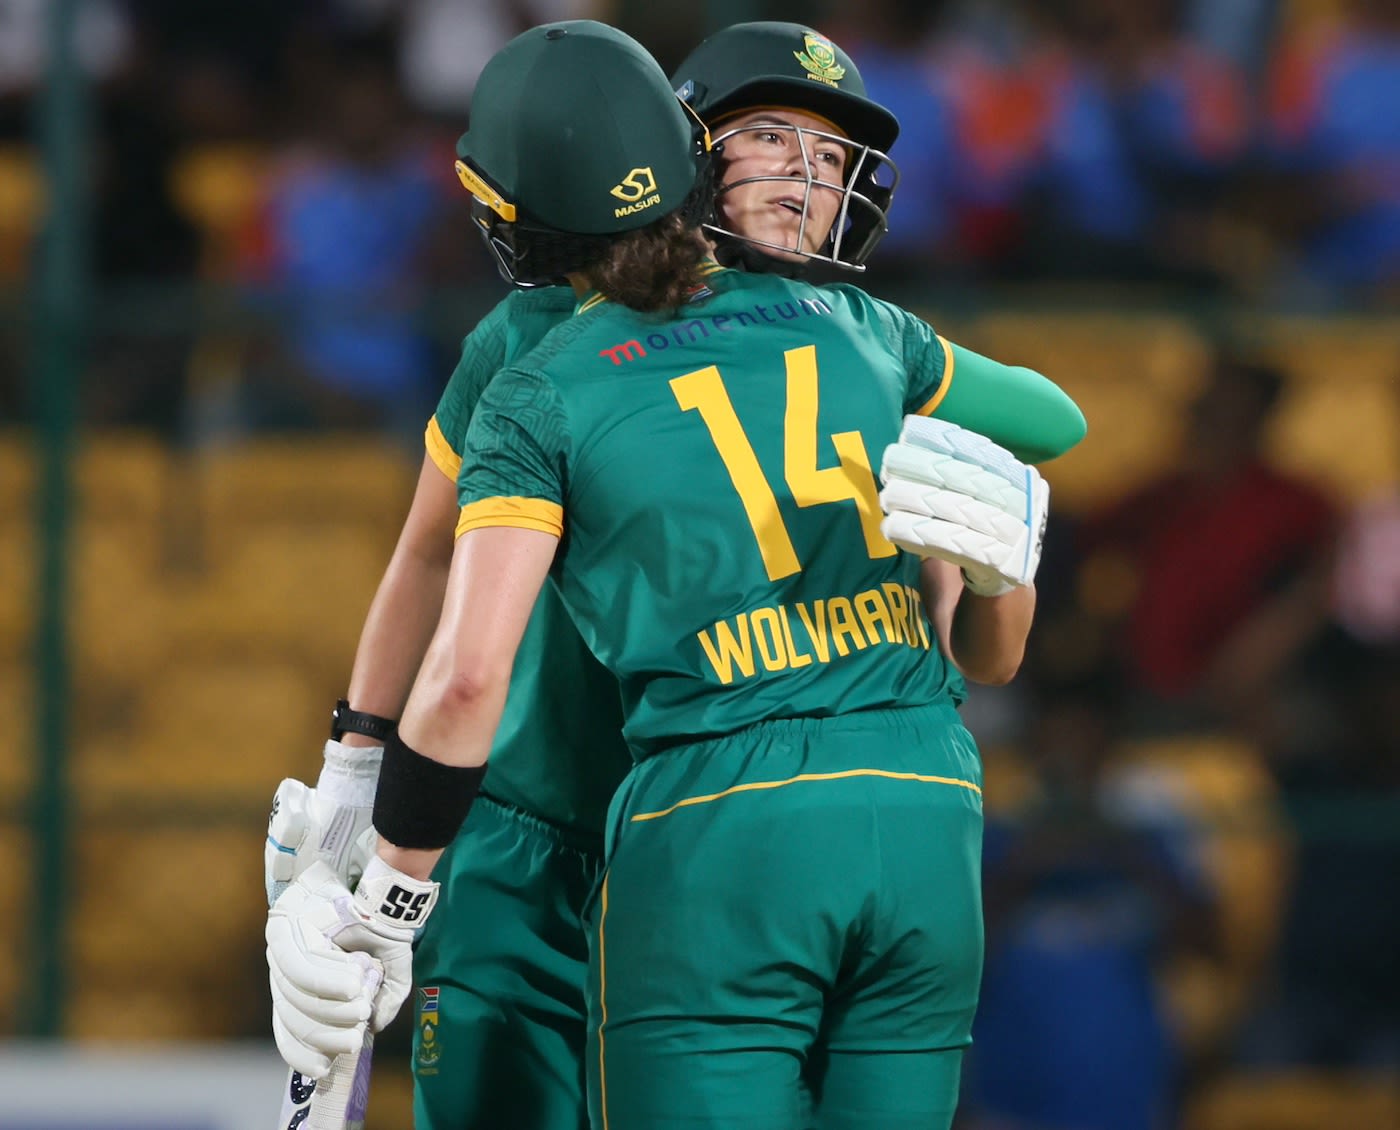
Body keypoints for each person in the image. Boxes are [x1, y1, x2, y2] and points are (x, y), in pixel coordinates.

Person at [262, 18, 1087, 1130]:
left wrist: (1005, 570)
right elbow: (426, 552)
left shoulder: (844, 331)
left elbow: (987, 605)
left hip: (694, 816)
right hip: (547, 827)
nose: (805, 176)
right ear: (680, 152)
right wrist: (357, 765)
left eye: (831, 157)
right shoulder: (554, 341)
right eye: (771, 140)